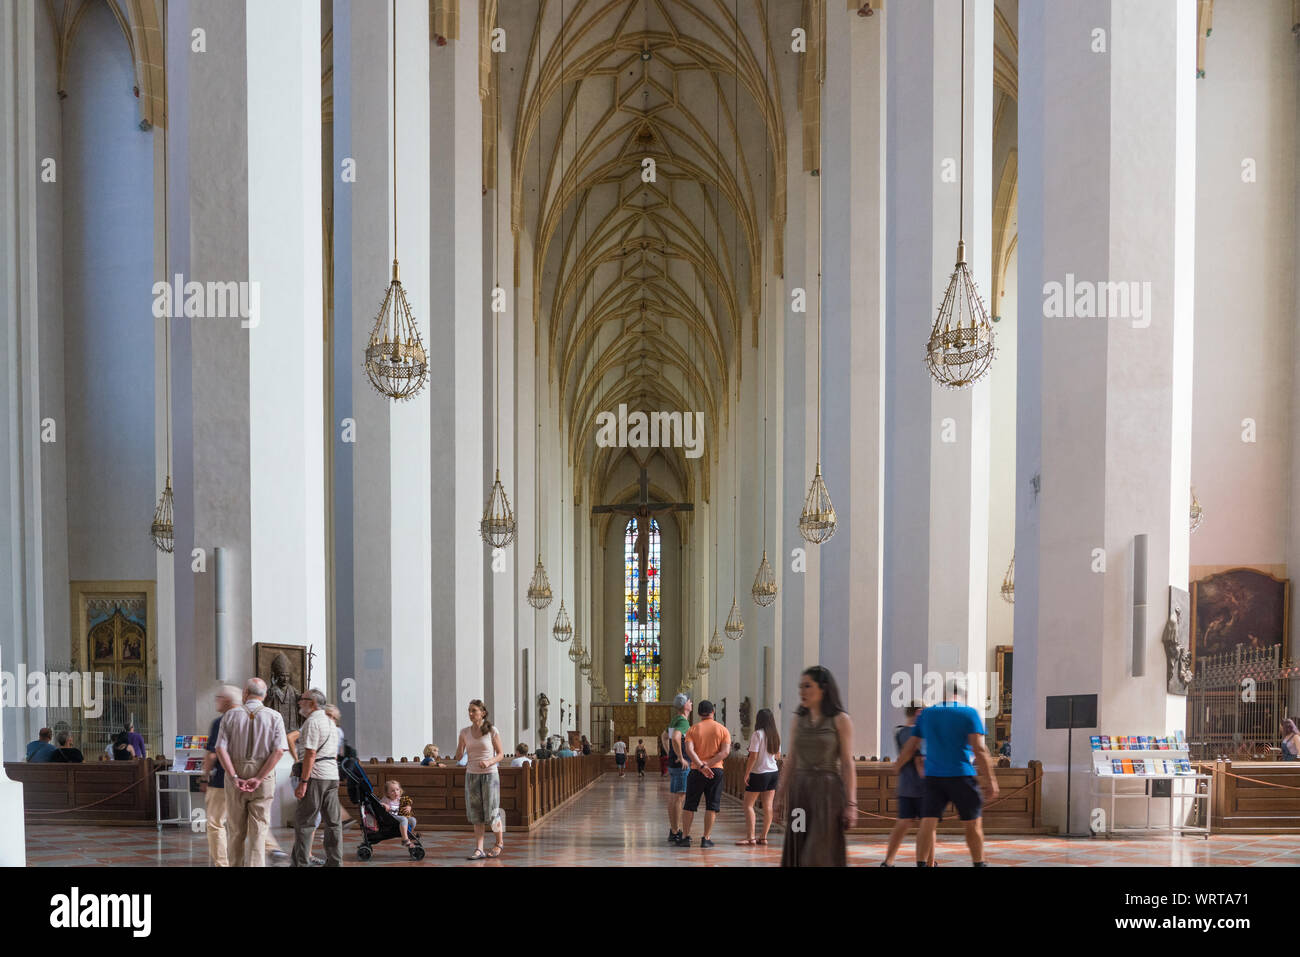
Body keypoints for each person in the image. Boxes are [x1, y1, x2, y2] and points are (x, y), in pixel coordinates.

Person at [895, 678, 998, 867]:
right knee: (972, 824)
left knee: (928, 822)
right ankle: (979, 863)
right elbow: (979, 749)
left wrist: (897, 766)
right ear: (961, 695)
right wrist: (991, 780)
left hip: (934, 777)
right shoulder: (969, 713)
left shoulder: (927, 714)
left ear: (944, 693)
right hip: (961, 775)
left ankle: (921, 864)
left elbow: (910, 746)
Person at [779, 666, 856, 867]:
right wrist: (779, 796)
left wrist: (851, 804)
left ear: (823, 688)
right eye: (800, 687)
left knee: (819, 851)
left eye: (807, 686)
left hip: (827, 794)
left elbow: (847, 764)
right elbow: (791, 760)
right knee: (798, 845)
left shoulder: (840, 720)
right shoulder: (798, 719)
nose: (802, 692)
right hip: (800, 793)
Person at [214, 677, 288, 867]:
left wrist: (233, 776)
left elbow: (220, 749)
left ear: (245, 693)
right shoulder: (274, 716)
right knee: (259, 831)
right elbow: (279, 750)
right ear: (264, 696)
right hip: (263, 776)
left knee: (236, 831)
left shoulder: (230, 716)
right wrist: (259, 777)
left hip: (236, 773)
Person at [291, 689, 341, 867]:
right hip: (332, 775)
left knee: (305, 822)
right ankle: (335, 862)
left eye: (302, 700)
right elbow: (334, 754)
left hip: (316, 776)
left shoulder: (312, 722)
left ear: (312, 703)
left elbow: (311, 754)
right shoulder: (330, 722)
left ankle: (301, 864)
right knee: (333, 823)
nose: (298, 703)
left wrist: (303, 782)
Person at [453, 699, 505, 860]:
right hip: (472, 774)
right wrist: (460, 749)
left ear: (482, 712)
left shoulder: (492, 731)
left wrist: (489, 761)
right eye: (469, 710)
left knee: (492, 812)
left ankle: (499, 843)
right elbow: (459, 755)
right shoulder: (464, 732)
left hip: (490, 774)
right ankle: (479, 849)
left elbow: (500, 754)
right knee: (476, 813)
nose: (470, 713)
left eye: (474, 710)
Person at [882, 702, 931, 866]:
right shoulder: (919, 733)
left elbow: (902, 759)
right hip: (922, 788)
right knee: (928, 827)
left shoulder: (900, 731)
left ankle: (888, 861)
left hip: (905, 785)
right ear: (919, 713)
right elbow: (920, 759)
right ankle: (928, 863)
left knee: (903, 823)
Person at [678, 700, 730, 848]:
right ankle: (706, 838)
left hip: (696, 770)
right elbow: (725, 752)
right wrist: (709, 764)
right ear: (713, 712)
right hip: (716, 770)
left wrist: (701, 765)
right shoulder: (722, 730)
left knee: (690, 804)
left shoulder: (693, 729)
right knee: (712, 805)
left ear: (699, 713)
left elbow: (689, 750)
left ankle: (686, 837)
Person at [200, 685, 242, 866]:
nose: (215, 700)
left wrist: (204, 776)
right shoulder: (248, 719)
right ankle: (271, 849)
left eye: (218, 697)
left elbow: (212, 753)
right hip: (246, 778)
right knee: (248, 822)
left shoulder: (221, 721)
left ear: (227, 700)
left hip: (222, 780)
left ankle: (222, 863)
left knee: (216, 823)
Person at [736, 707, 781, 846]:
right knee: (768, 806)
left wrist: (747, 773)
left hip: (759, 772)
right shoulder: (775, 735)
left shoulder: (757, 734)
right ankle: (763, 837)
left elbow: (753, 756)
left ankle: (751, 837)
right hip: (773, 772)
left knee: (748, 805)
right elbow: (777, 755)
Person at [665, 694, 692, 843]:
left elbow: (664, 737)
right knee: (679, 798)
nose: (691, 703)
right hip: (681, 765)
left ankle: (673, 830)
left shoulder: (674, 719)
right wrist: (681, 757)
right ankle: (675, 831)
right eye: (689, 701)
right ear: (684, 705)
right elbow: (675, 737)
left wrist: (672, 753)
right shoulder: (682, 721)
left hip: (673, 764)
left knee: (674, 796)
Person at [379, 779, 418, 847]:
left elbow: (408, 803)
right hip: (389, 818)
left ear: (400, 790)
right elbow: (379, 804)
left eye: (397, 790)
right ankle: (405, 839)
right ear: (387, 793)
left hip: (398, 817)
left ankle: (409, 833)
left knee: (413, 820)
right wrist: (384, 805)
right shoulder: (386, 799)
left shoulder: (399, 799)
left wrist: (409, 807)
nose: (396, 792)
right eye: (392, 791)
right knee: (403, 819)